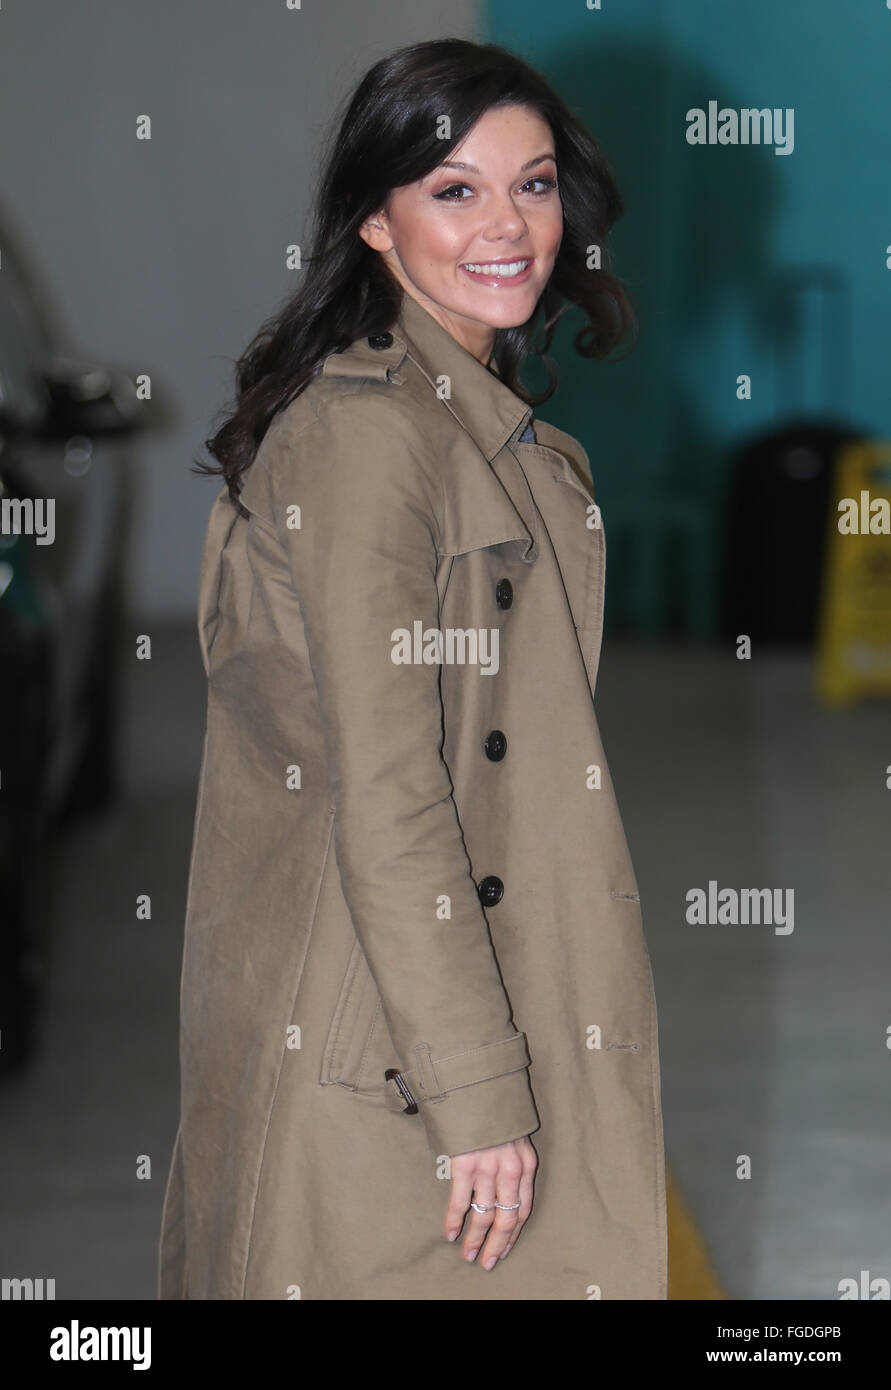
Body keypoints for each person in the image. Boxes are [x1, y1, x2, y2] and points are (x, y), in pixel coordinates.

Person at [158, 36, 667, 1301]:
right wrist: (478, 1086)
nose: (508, 225)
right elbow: (394, 793)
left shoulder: (482, 433)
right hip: (389, 1062)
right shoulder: (368, 442)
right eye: (455, 189)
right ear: (376, 224)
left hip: (444, 1017)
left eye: (534, 184)